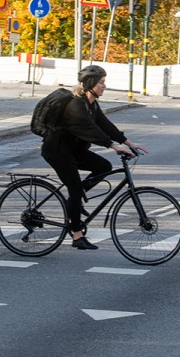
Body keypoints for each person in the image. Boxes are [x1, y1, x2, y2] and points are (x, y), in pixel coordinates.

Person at [42, 65, 148, 250]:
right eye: (101, 82)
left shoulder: (91, 104)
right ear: (90, 84)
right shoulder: (75, 105)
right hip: (58, 151)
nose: (104, 86)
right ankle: (77, 235)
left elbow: (105, 125)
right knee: (75, 190)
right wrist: (114, 146)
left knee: (103, 167)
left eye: (104, 82)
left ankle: (75, 201)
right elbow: (91, 130)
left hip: (74, 150)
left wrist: (129, 143)